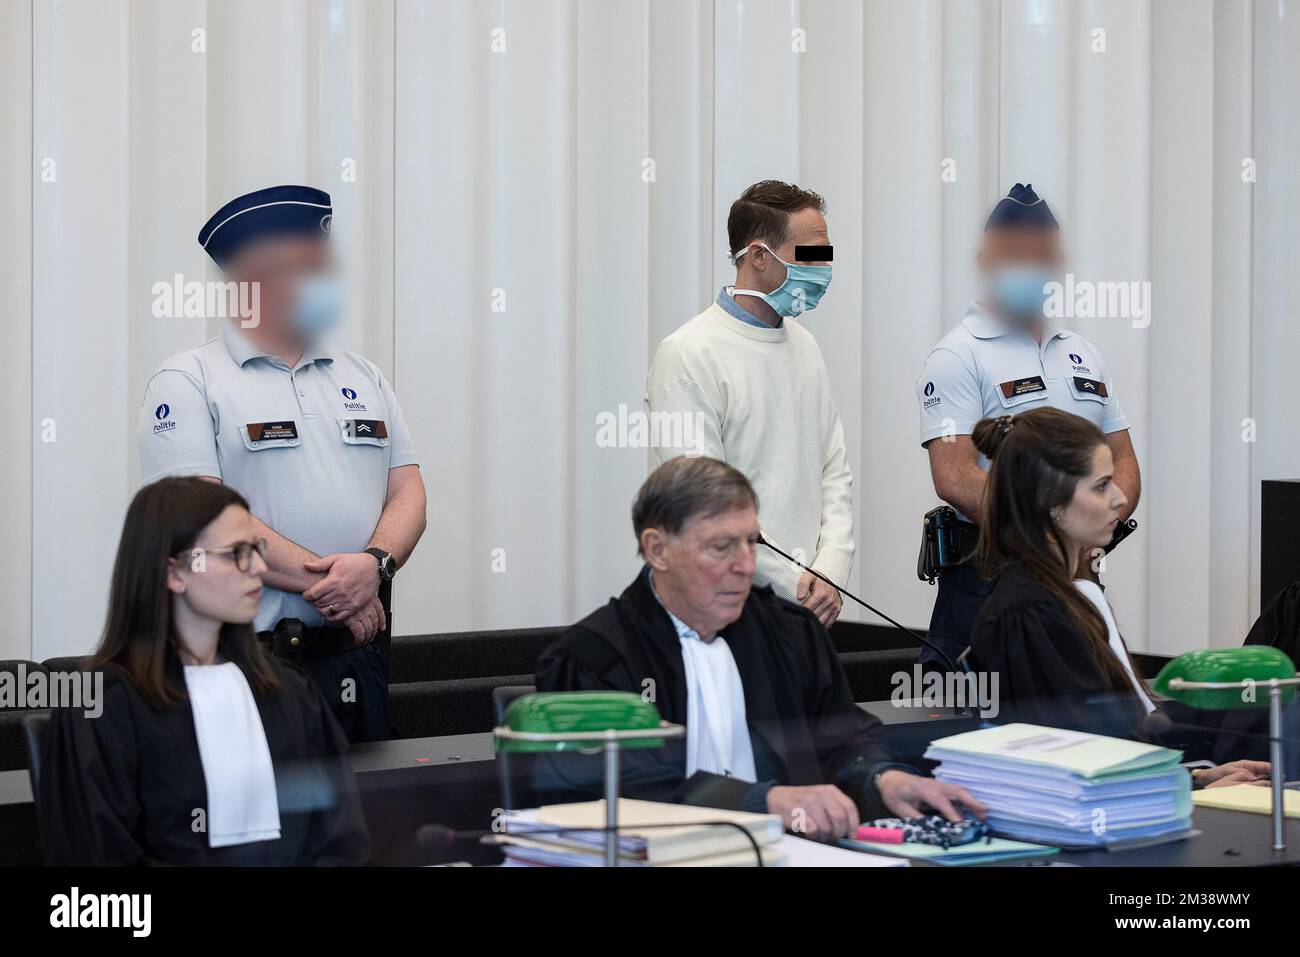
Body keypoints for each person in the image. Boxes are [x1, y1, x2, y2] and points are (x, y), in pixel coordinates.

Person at [535, 456, 986, 841]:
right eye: (721, 547)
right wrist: (764, 800)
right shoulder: (593, 659)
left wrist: (883, 778)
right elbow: (615, 792)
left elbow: (842, 740)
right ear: (657, 549)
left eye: (752, 543)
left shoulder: (791, 634)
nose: (744, 566)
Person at [137, 185, 427, 742]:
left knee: (370, 823)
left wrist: (374, 567)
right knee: (265, 827)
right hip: (252, 666)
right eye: (307, 267)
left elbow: (408, 491)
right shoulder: (189, 381)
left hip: (357, 662)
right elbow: (202, 522)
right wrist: (341, 590)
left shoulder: (361, 376)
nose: (326, 280)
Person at [38, 478, 369, 865]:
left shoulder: (291, 691)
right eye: (236, 553)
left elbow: (341, 843)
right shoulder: (98, 709)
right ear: (174, 572)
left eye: (257, 550)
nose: (259, 568)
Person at [966, 408, 1266, 789]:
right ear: (1051, 503)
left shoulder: (1069, 595)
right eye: (1102, 485)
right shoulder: (1031, 610)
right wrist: (1190, 790)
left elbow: (1114, 743)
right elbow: (1078, 759)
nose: (1121, 498)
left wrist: (1198, 776)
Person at [915, 183, 1141, 668]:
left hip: (1078, 574)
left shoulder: (1082, 353)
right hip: (989, 577)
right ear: (985, 259)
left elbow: (1122, 458)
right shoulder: (959, 354)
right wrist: (1050, 532)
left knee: (1090, 712)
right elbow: (954, 476)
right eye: (1016, 255)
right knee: (978, 725)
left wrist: (1089, 530)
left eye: (1042, 257)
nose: (1030, 267)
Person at [646, 180, 852, 628]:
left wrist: (831, 568)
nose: (824, 269)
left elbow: (833, 471)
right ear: (759, 256)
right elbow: (704, 502)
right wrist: (794, 584)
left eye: (826, 255)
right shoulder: (689, 353)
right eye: (811, 256)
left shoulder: (806, 347)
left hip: (806, 612)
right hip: (721, 611)